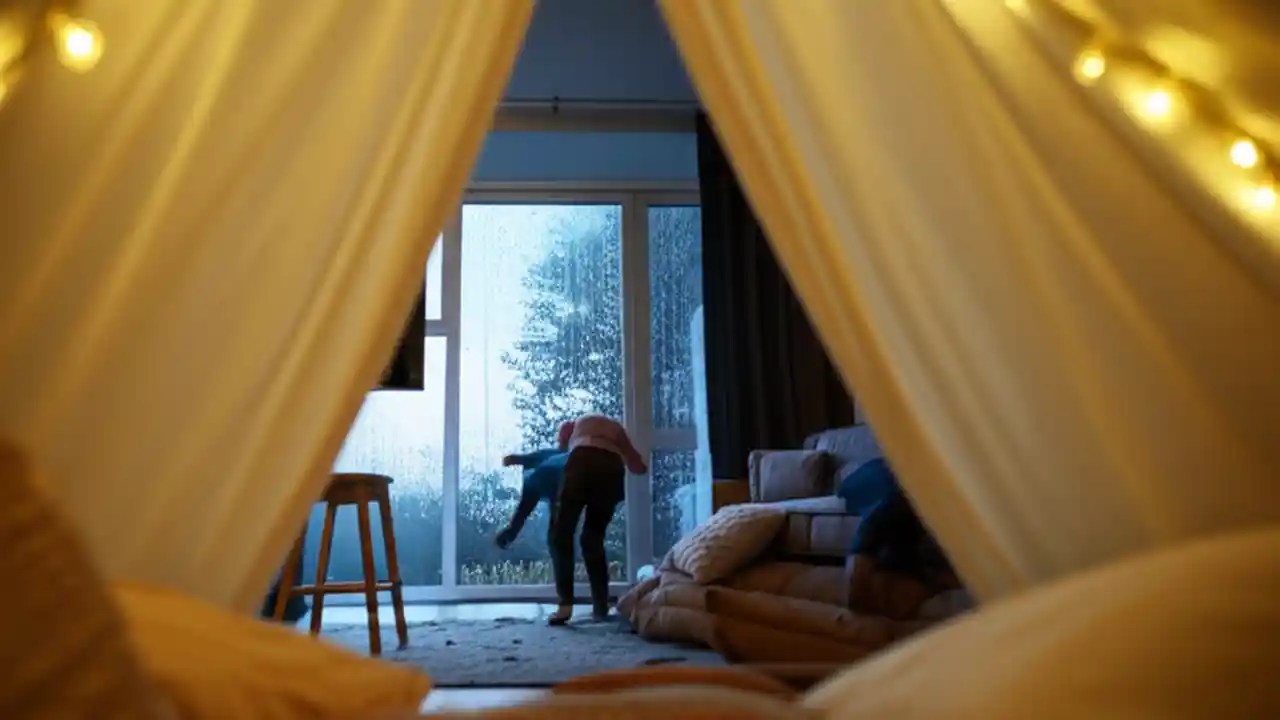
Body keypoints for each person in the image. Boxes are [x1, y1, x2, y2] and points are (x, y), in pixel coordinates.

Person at [549, 414, 647, 626]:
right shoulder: (616, 429)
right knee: (592, 538)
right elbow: (637, 466)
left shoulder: (573, 424)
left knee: (562, 534)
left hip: (581, 463)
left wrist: (565, 449)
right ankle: (600, 606)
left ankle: (565, 605)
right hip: (611, 470)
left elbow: (563, 443)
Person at [495, 445, 568, 550]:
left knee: (523, 512)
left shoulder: (552, 453)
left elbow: (524, 458)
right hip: (549, 484)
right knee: (555, 519)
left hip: (534, 482)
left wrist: (512, 459)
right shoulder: (570, 455)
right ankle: (556, 541)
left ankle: (509, 535)